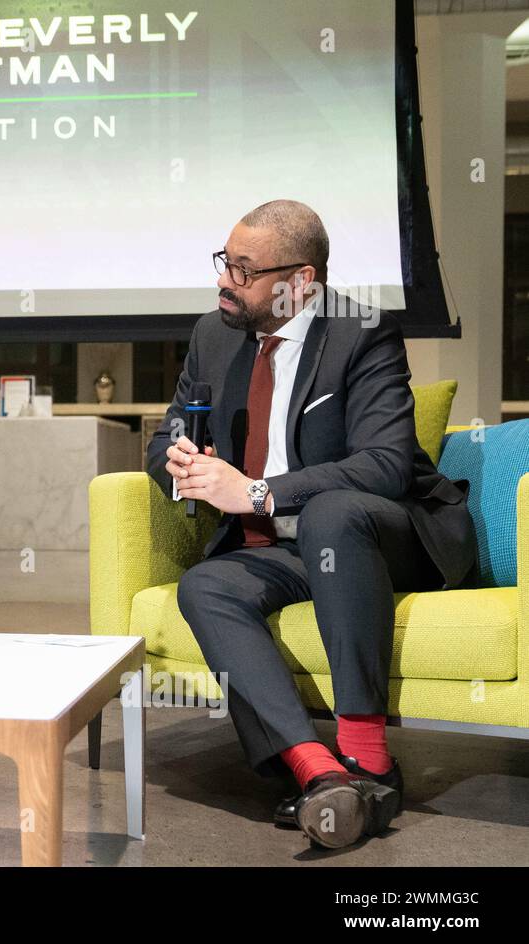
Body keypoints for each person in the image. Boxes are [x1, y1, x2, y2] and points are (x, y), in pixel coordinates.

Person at [145, 200, 476, 849]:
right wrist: (179, 460)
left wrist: (260, 491)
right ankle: (319, 774)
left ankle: (368, 759)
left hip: (382, 535)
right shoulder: (214, 335)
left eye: (243, 269)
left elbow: (383, 466)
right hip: (284, 550)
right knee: (206, 586)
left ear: (300, 280)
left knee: (330, 513)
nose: (224, 281)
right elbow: (168, 433)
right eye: (225, 262)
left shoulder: (363, 331)